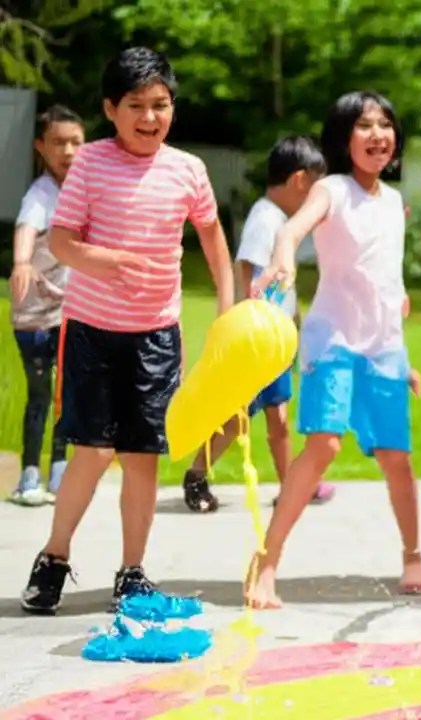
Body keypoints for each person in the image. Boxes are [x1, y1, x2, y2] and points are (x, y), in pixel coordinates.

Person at [20, 47, 236, 615]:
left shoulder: (189, 169)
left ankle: (132, 573)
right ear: (110, 109)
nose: (149, 117)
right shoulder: (90, 162)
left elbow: (212, 238)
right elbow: (62, 241)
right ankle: (54, 557)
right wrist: (104, 260)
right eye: (135, 105)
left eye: (160, 105)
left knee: (143, 457)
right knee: (90, 452)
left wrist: (228, 305)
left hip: (155, 339)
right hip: (92, 332)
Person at [245, 91, 421, 609]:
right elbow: (292, 228)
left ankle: (413, 554)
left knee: (397, 457)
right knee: (323, 445)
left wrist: (404, 357)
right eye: (365, 125)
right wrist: (282, 258)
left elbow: (387, 282)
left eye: (386, 124)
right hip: (334, 341)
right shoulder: (331, 189)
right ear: (344, 137)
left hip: (384, 347)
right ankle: (268, 560)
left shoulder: (393, 203)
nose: (378, 135)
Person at [179, 135, 337, 513]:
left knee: (278, 417)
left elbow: (283, 281)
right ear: (300, 180)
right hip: (257, 341)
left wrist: (293, 319)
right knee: (237, 418)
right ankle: (197, 473)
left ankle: (293, 487)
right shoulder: (266, 217)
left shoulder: (278, 218)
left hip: (273, 341)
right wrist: (246, 321)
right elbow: (247, 267)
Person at [7, 105, 83, 507]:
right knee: (40, 392)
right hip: (34, 312)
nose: (68, 151)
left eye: (75, 142)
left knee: (66, 390)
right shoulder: (41, 194)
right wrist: (21, 262)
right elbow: (26, 227)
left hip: (70, 311)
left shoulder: (82, 190)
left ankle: (59, 467)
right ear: (40, 147)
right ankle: (29, 474)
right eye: (57, 142)